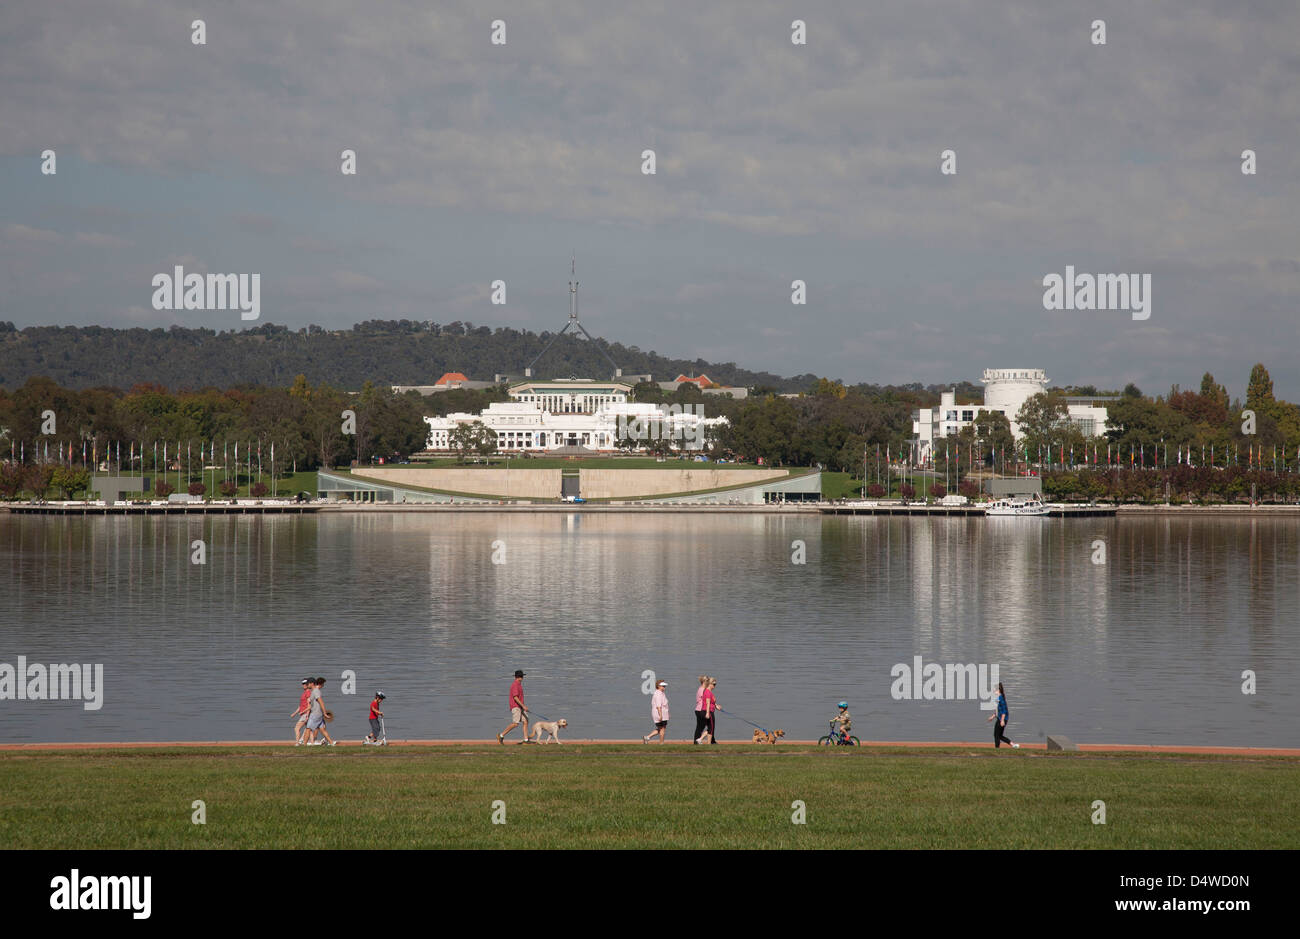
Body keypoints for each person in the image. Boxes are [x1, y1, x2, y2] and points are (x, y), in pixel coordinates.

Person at [498, 670, 529, 744]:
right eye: (521, 676)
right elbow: (515, 697)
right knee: (515, 724)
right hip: (516, 707)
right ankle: (501, 735)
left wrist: (522, 707)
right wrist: (523, 706)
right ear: (517, 677)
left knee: (525, 721)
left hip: (520, 707)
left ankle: (526, 740)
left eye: (522, 676)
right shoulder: (515, 685)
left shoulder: (519, 684)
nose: (522, 678)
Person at [986, 681, 1019, 748]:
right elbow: (999, 710)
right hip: (1001, 718)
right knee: (999, 735)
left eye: (994, 690)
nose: (993, 691)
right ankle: (1013, 745)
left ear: (998, 690)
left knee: (996, 735)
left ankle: (997, 749)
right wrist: (993, 716)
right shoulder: (998, 698)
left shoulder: (1001, 698)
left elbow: (1004, 711)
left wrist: (1002, 720)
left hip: (1002, 719)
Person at [305, 676, 336, 746]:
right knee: (322, 730)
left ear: (312, 683)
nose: (307, 685)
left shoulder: (316, 691)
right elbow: (312, 703)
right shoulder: (314, 691)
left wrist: (324, 712)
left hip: (315, 714)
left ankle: (304, 745)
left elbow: (321, 702)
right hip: (318, 714)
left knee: (308, 729)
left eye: (308, 683)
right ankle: (331, 743)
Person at [292, 678, 313, 745]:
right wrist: (294, 713)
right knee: (309, 730)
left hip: (305, 714)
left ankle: (297, 743)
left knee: (296, 728)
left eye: (305, 684)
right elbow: (301, 706)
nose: (303, 685)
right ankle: (312, 744)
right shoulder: (304, 693)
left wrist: (307, 714)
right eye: (303, 684)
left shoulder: (308, 693)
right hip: (304, 714)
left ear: (308, 684)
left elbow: (309, 705)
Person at [692, 675, 709, 744]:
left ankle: (696, 741)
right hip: (701, 710)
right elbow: (706, 700)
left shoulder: (701, 689)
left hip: (698, 710)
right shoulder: (702, 690)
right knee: (709, 726)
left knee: (700, 727)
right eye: (707, 681)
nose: (708, 683)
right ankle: (698, 740)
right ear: (704, 682)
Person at [706, 677, 720, 743]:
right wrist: (707, 713)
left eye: (715, 684)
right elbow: (707, 703)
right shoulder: (708, 692)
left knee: (711, 728)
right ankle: (709, 743)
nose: (714, 686)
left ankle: (712, 741)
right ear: (709, 684)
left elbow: (712, 702)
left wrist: (716, 706)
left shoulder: (710, 692)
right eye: (714, 684)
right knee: (711, 728)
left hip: (712, 711)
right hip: (710, 712)